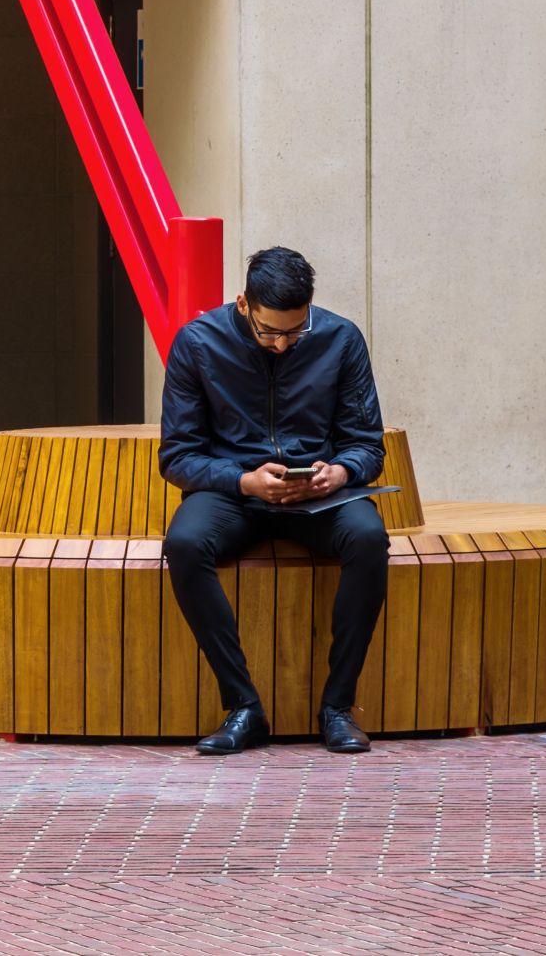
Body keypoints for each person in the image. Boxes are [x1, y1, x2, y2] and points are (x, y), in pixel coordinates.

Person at [159, 246, 388, 756]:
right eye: (269, 332)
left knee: (370, 538)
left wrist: (342, 471)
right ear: (243, 304)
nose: (283, 344)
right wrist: (244, 480)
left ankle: (337, 708)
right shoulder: (197, 344)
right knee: (185, 542)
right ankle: (243, 707)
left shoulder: (341, 339)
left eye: (294, 331)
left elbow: (367, 445)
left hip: (318, 497)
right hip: (234, 494)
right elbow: (177, 457)